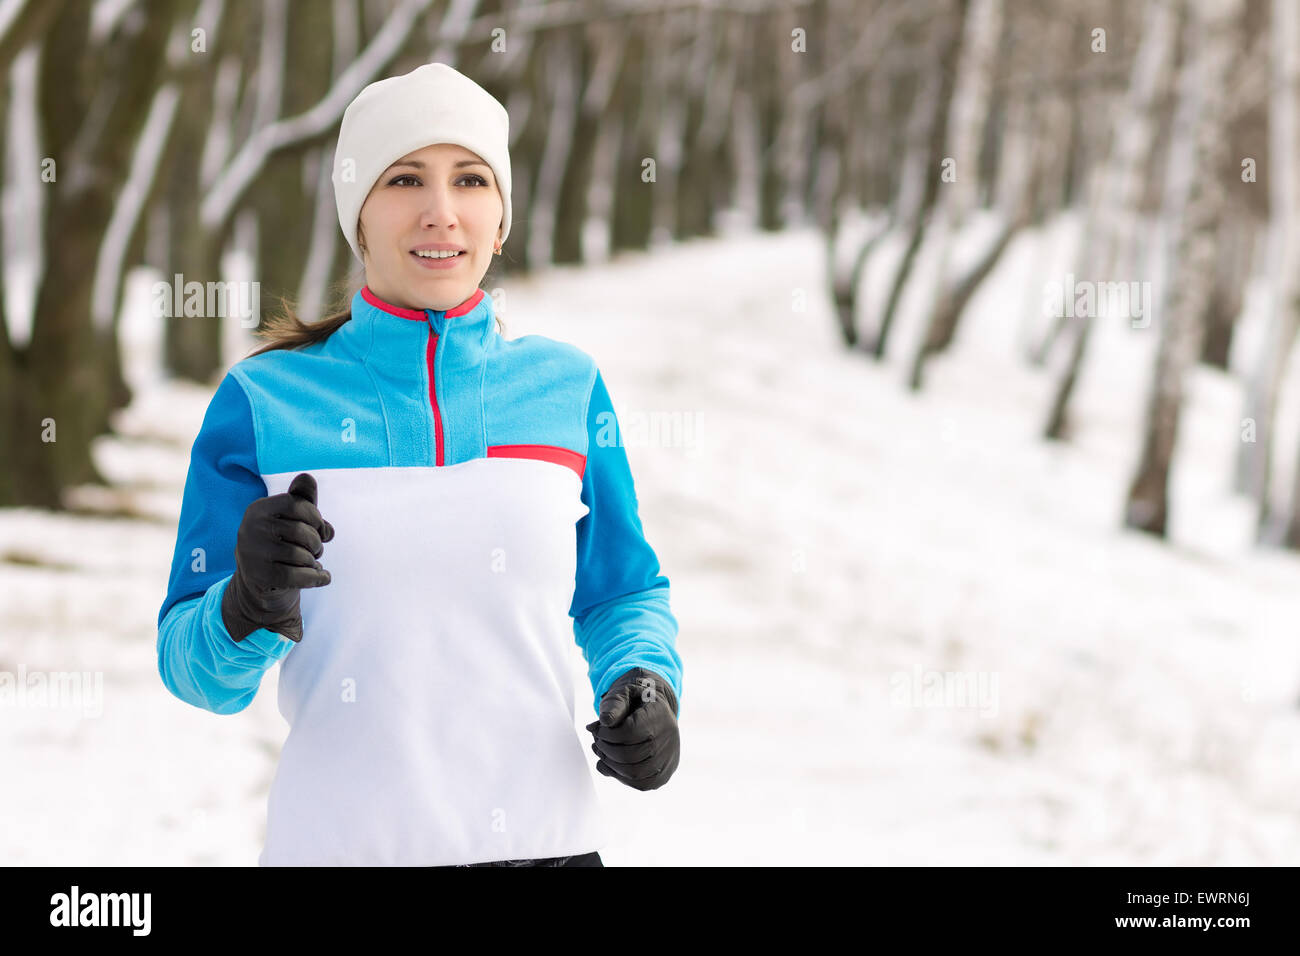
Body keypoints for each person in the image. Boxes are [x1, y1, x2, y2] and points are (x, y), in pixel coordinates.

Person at [155, 62, 683, 867]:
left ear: (499, 219)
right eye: (405, 178)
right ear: (358, 216)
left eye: (470, 179)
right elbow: (194, 674)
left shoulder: (567, 389)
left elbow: (622, 593)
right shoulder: (263, 402)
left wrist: (648, 685)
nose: (441, 212)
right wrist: (243, 605)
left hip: (549, 851)